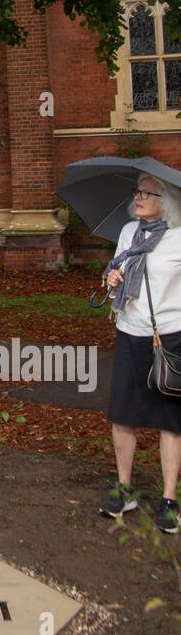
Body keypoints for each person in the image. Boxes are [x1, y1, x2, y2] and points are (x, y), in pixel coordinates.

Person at [101, 173, 181, 533]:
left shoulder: (178, 237)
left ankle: (168, 500)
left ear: (166, 200)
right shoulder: (128, 233)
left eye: (147, 192)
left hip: (169, 338)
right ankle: (125, 487)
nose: (139, 197)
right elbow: (115, 268)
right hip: (129, 332)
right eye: (137, 191)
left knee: (170, 420)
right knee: (122, 414)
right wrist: (112, 277)